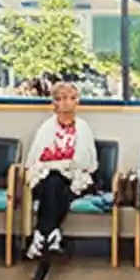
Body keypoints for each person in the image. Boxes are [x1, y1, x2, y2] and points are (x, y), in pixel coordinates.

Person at [24, 81, 97, 261]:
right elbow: (38, 159)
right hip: (46, 179)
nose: (67, 103)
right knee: (54, 180)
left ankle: (41, 235)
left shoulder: (83, 128)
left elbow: (87, 161)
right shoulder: (46, 128)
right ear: (54, 103)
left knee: (59, 184)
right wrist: (60, 164)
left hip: (76, 180)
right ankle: (53, 234)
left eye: (72, 98)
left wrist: (61, 164)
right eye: (62, 98)